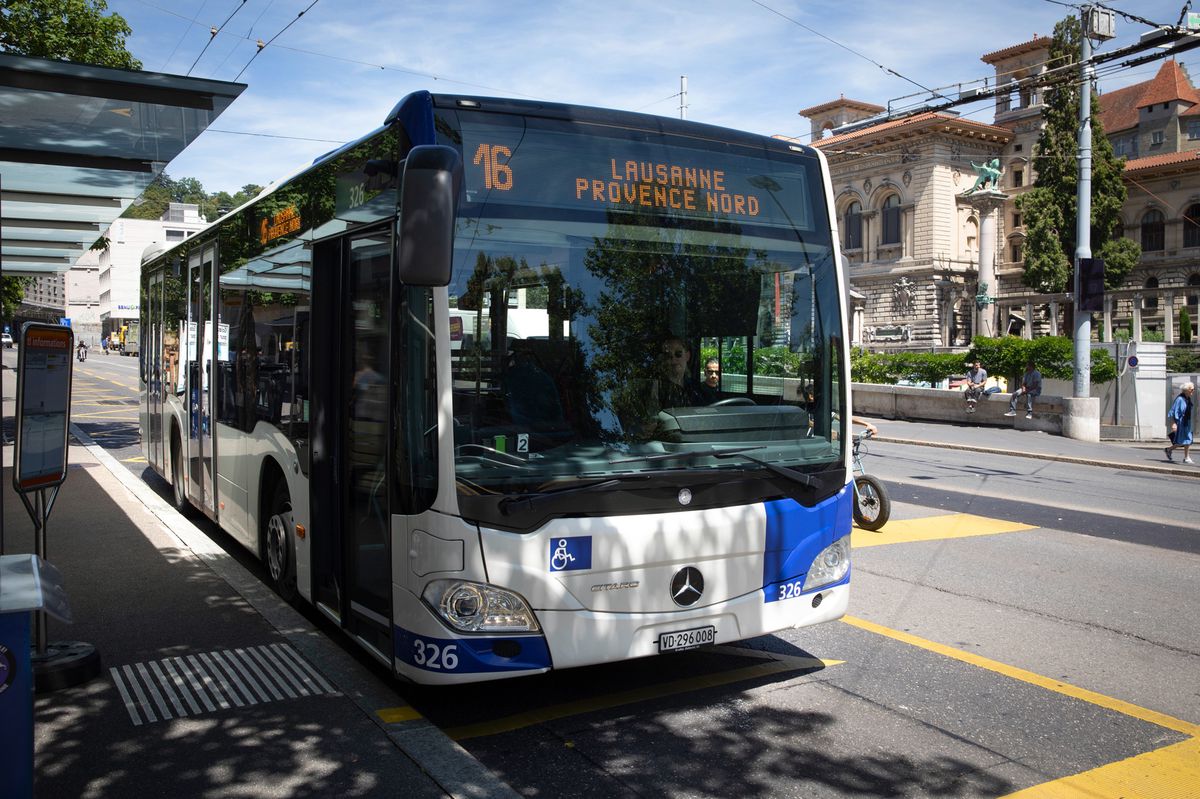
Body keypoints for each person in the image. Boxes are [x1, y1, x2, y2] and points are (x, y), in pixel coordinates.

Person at [658, 336, 715, 407]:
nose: (673, 358)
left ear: (687, 356)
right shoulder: (657, 388)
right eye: (668, 355)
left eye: (678, 354)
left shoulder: (697, 388)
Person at [1164, 381, 1195, 464]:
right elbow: (1174, 411)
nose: (1193, 391)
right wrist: (1174, 423)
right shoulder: (1180, 399)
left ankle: (1186, 457)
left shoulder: (1187, 399)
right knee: (1182, 441)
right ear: (1187, 390)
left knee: (1188, 439)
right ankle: (1169, 450)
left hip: (1186, 422)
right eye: (1192, 389)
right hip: (1181, 423)